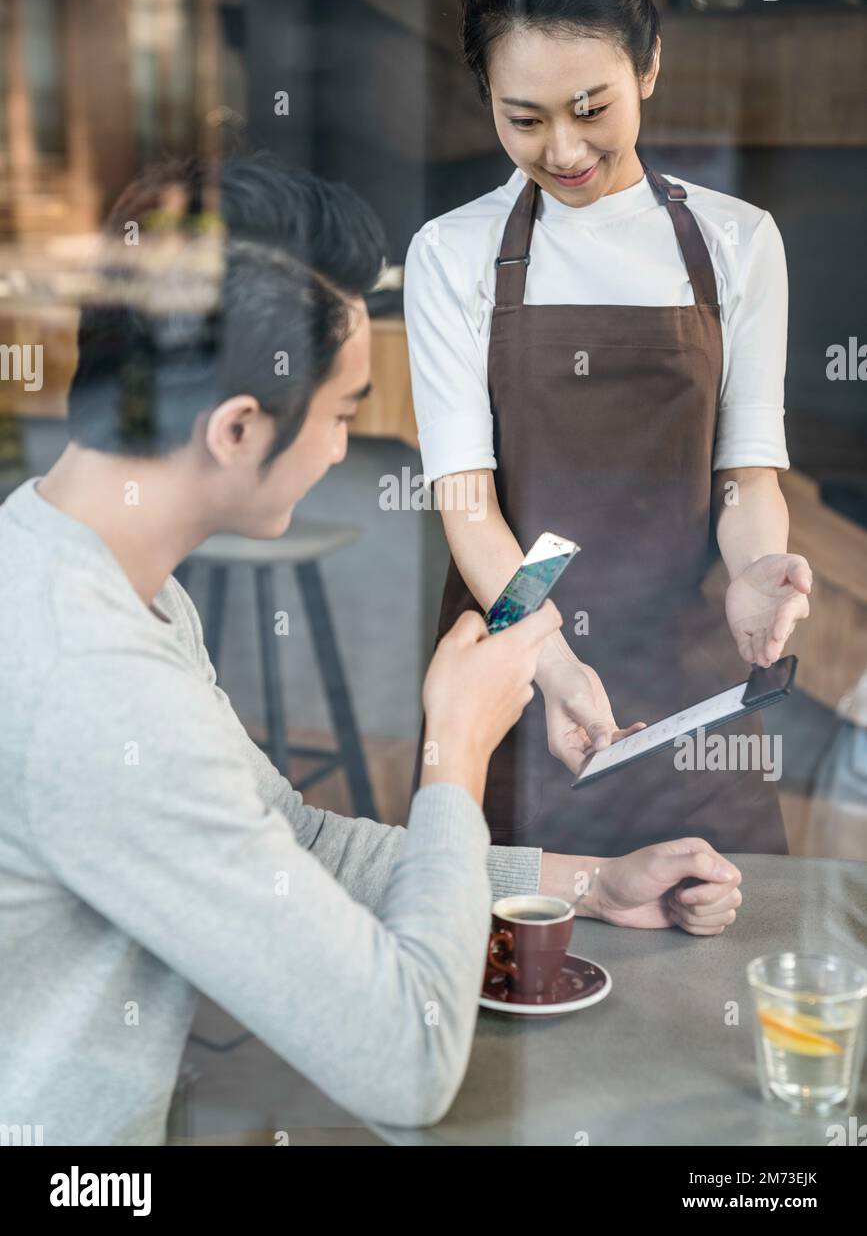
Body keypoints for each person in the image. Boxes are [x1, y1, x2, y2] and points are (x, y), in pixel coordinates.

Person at [0, 157, 744, 1145]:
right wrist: (455, 752)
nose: (346, 449)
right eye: (344, 413)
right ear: (235, 429)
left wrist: (586, 883)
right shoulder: (90, 681)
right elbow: (408, 1059)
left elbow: (296, 848)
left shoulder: (84, 569)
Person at [404, 0, 811, 857]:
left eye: (592, 106)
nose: (564, 149)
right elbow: (469, 508)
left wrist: (757, 569)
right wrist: (553, 666)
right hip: (518, 673)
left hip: (688, 680)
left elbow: (745, 476)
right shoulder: (453, 255)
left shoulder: (737, 243)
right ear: (486, 98)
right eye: (523, 118)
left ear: (649, 67)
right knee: (512, 967)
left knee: (710, 952)